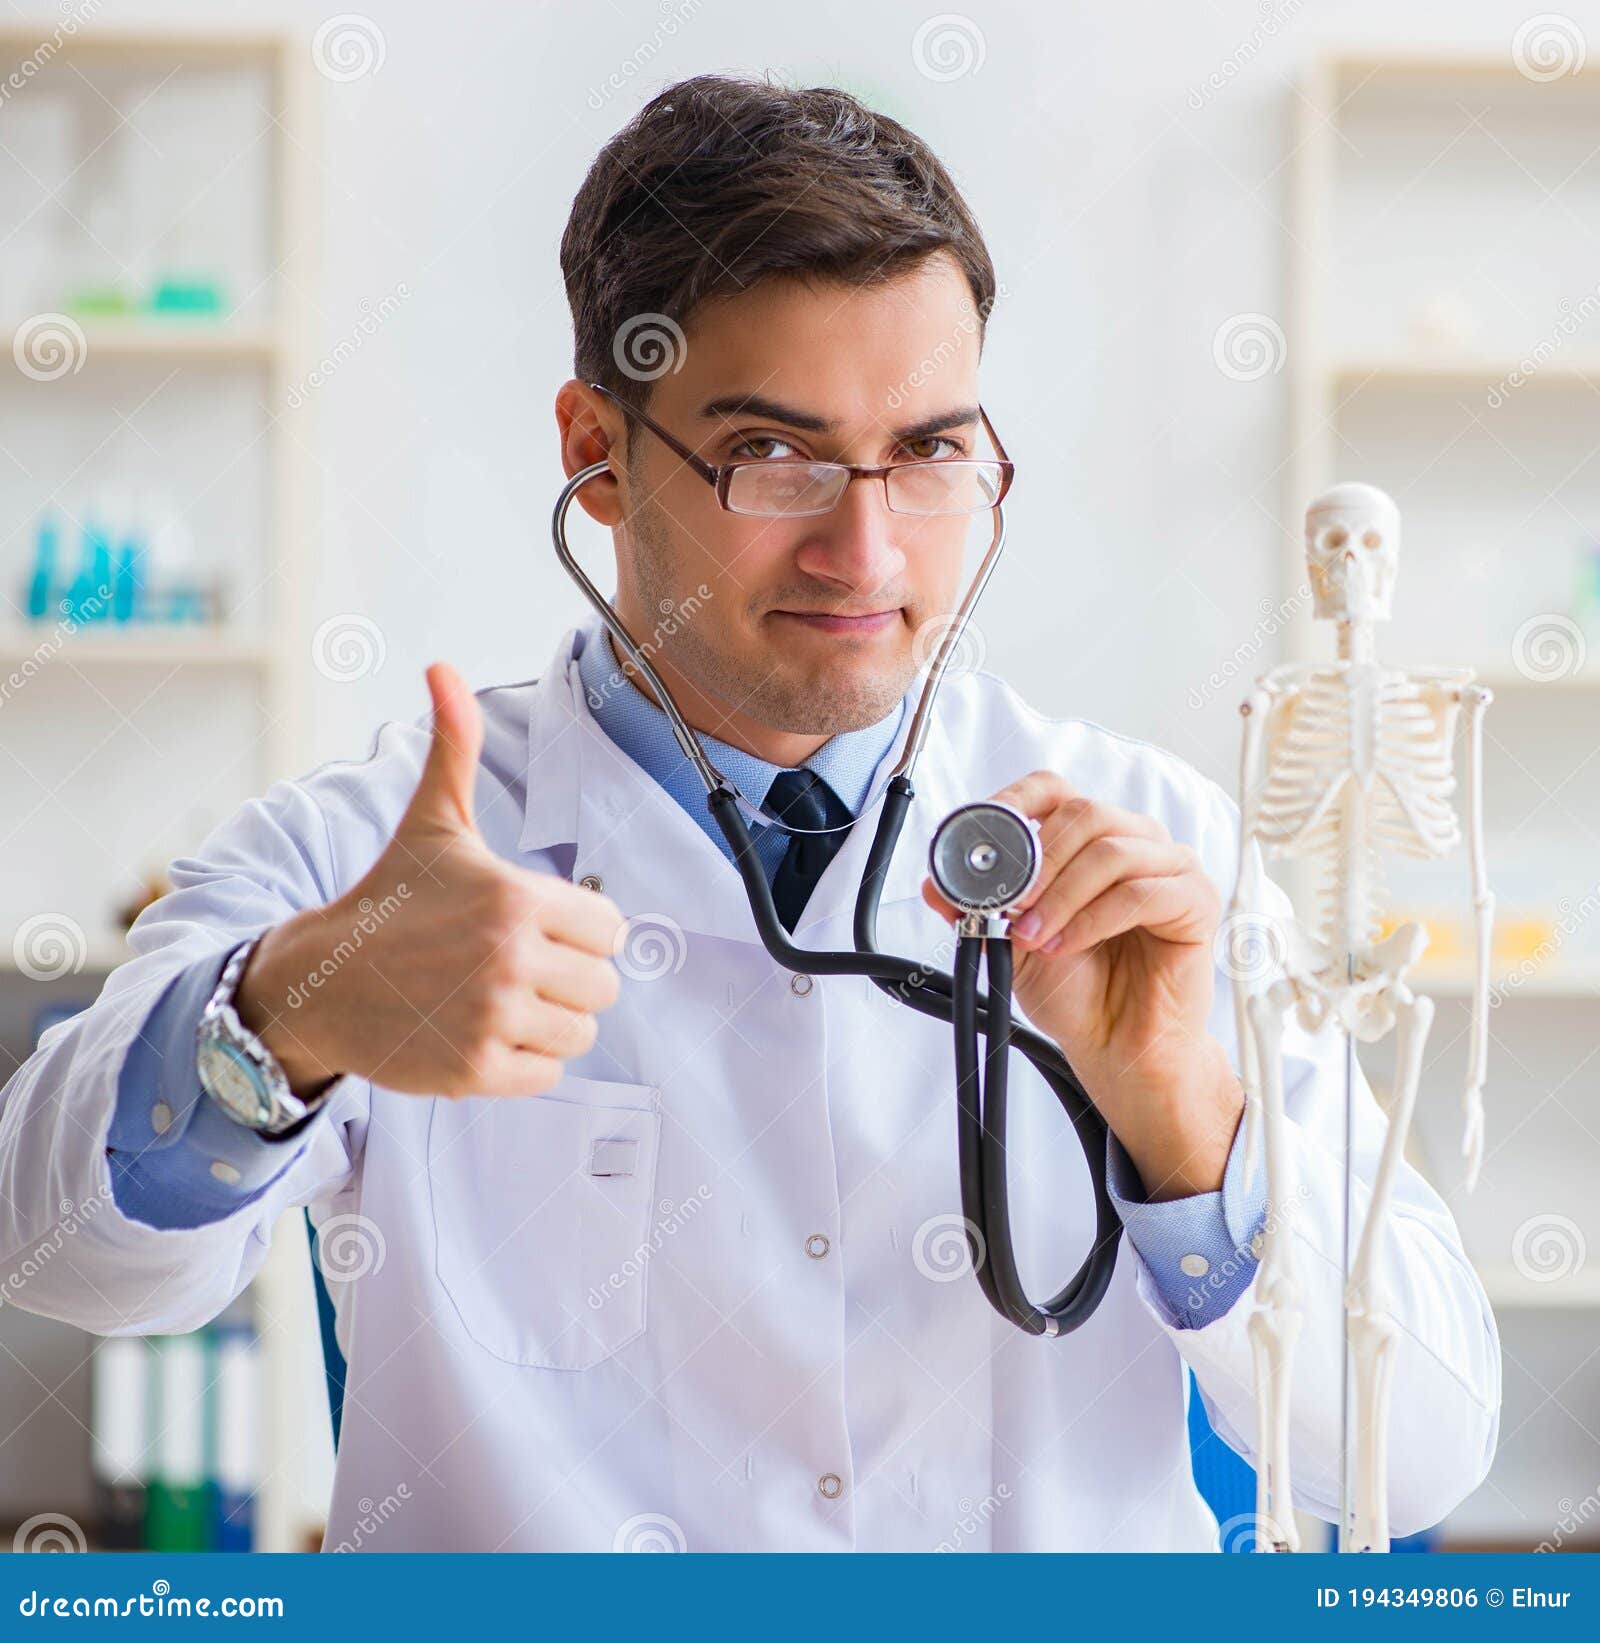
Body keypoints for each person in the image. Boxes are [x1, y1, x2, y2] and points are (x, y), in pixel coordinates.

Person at [0, 74, 1497, 1553]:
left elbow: (1418, 1457)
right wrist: (288, 1018)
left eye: (929, 453)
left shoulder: (1151, 851)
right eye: (772, 455)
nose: (868, 548)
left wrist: (1187, 1121)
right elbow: (59, 1248)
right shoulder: (375, 854)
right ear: (596, 449)